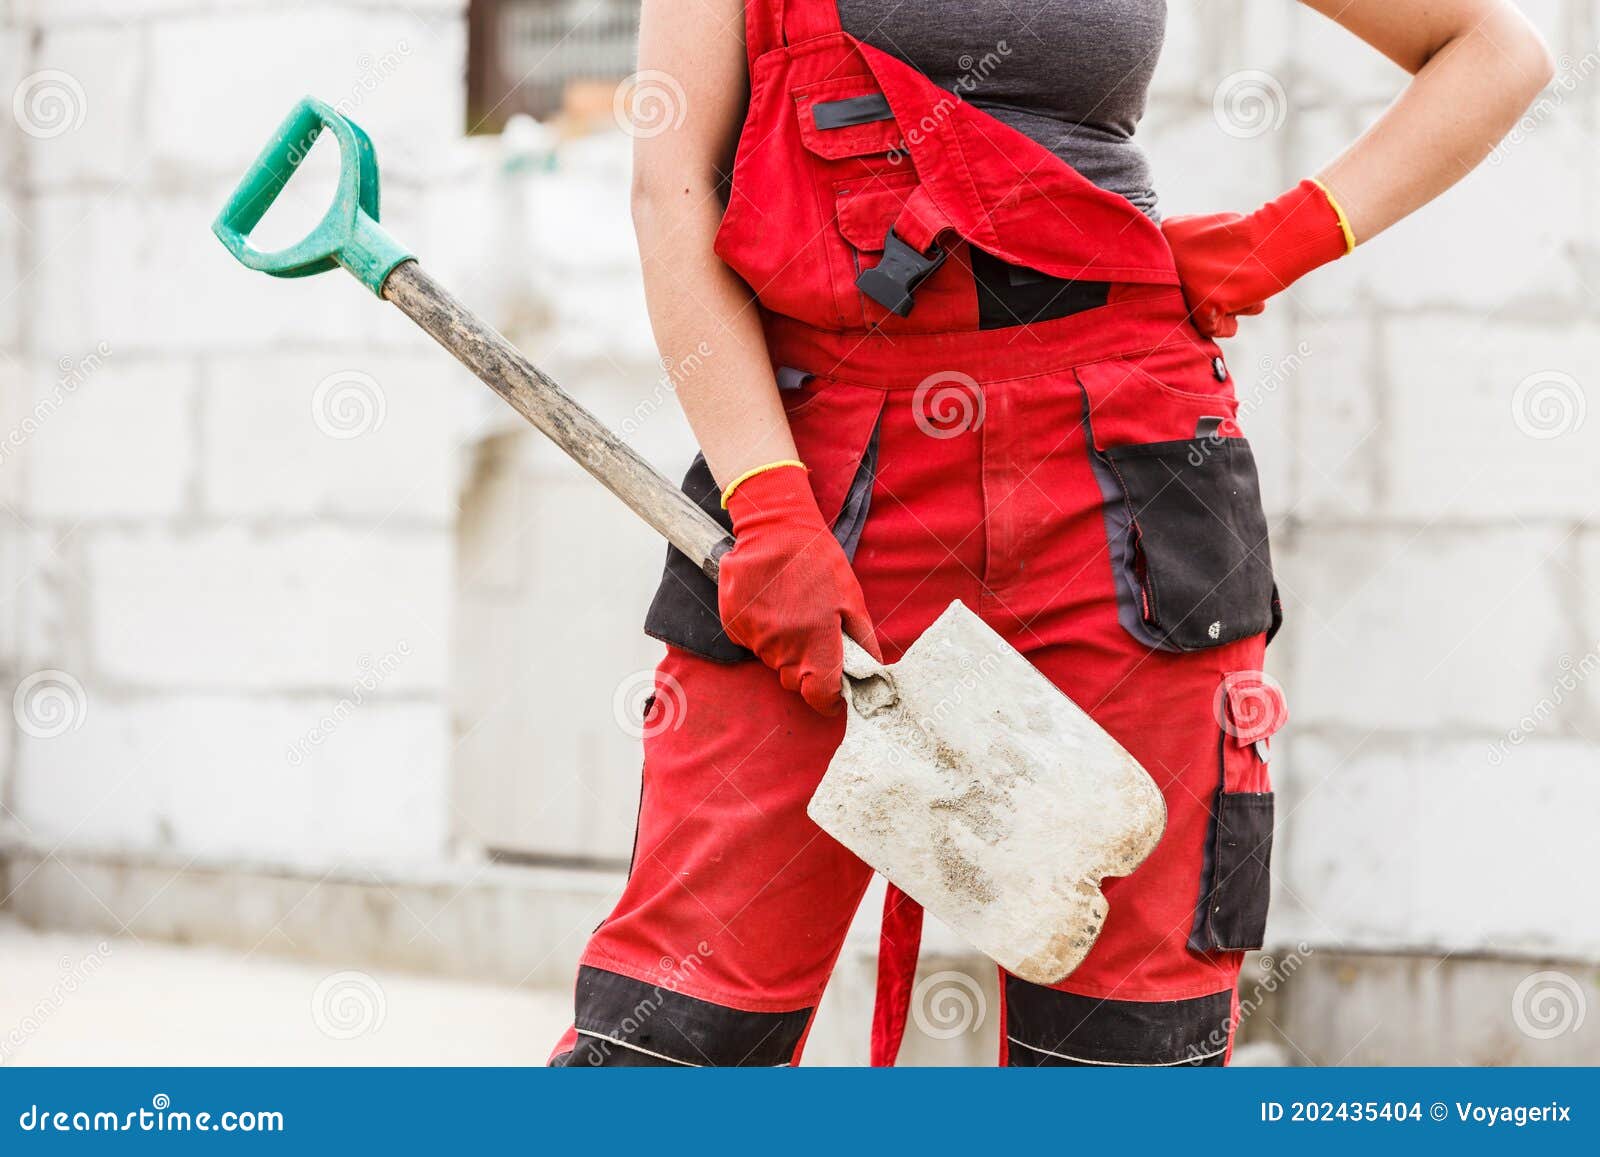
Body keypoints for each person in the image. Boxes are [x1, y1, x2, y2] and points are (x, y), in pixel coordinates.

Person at [549, 0, 1553, 1066]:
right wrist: (768, 499)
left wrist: (1280, 239)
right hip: (816, 462)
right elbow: (674, 190)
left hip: (1124, 479)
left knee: (1125, 1062)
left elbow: (1494, 51)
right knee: (663, 1046)